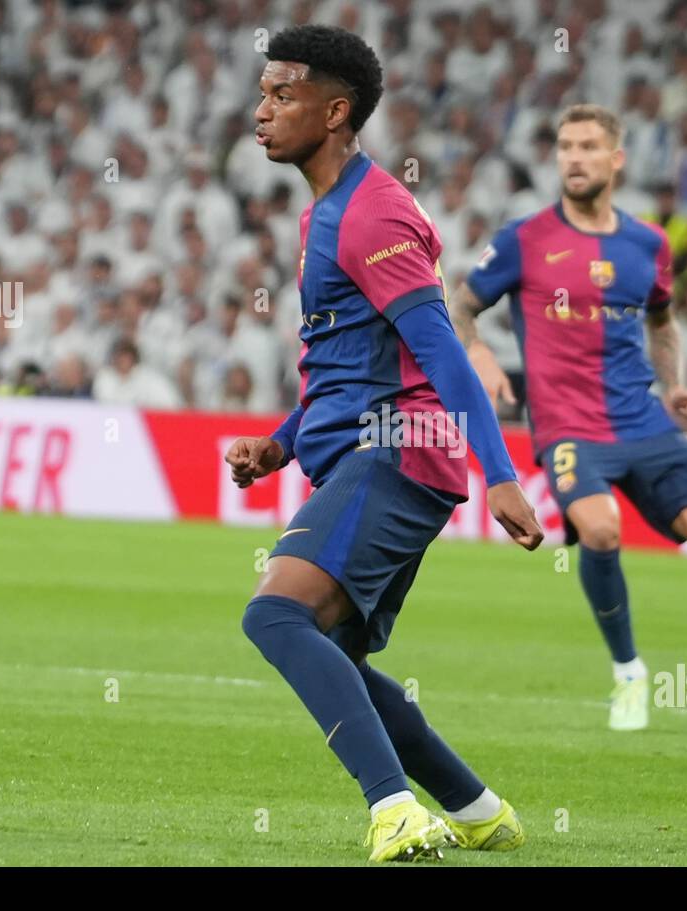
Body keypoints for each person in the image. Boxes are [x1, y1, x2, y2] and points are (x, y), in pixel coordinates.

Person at [226, 25, 544, 863]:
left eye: (280, 95)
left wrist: (503, 474)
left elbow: (440, 349)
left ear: (336, 111)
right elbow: (352, 359)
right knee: (331, 652)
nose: (260, 112)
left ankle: (395, 812)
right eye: (262, 93)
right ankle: (477, 810)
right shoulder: (327, 212)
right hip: (373, 447)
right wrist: (282, 443)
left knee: (275, 615)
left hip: (397, 451)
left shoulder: (371, 213)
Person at [450, 104, 687, 741]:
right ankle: (629, 674)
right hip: (569, 426)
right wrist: (481, 353)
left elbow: (661, 321)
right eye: (565, 146)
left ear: (615, 160)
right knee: (599, 530)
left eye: (587, 146)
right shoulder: (525, 238)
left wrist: (678, 387)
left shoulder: (648, 243)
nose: (573, 157)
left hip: (642, 418)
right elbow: (459, 307)